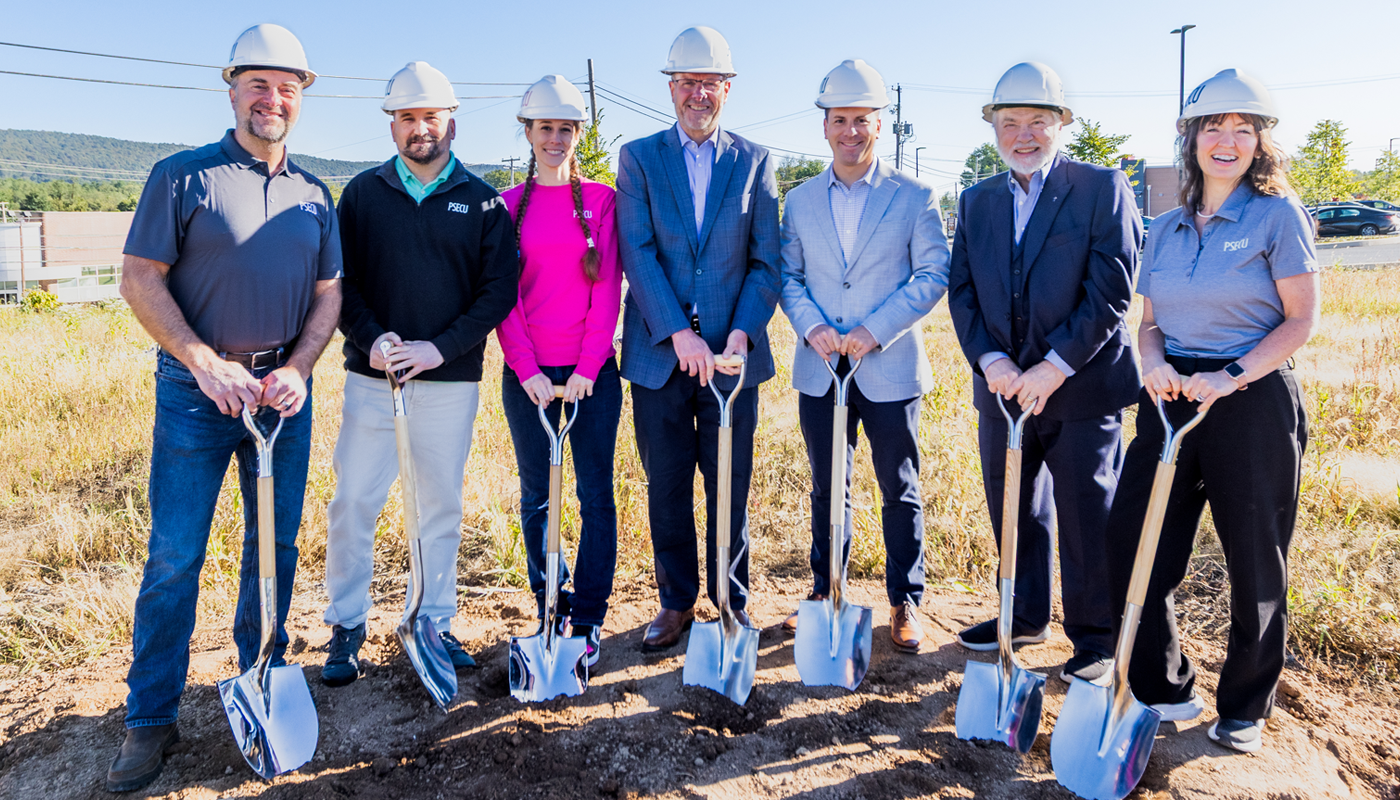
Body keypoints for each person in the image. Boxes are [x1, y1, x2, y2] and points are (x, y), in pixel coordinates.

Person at [109, 24, 341, 793]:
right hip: (196, 398)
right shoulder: (182, 176)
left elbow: (327, 294)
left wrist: (302, 368)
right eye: (259, 85)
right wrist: (204, 364)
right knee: (175, 556)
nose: (272, 99)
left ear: (301, 97)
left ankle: (264, 684)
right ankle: (150, 722)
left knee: (273, 552)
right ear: (232, 87)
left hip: (281, 399)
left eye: (288, 87)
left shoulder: (315, 193)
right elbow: (141, 278)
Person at [1105, 69, 1318, 753]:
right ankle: (1164, 685)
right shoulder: (1161, 227)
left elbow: (1299, 320)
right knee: (1135, 542)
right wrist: (1155, 362)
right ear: (1190, 138)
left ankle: (1245, 704)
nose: (1227, 141)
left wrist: (1230, 376)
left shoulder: (1277, 214)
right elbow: (1149, 323)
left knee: (1255, 557)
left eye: (1243, 129)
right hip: (1171, 396)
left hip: (1251, 396)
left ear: (1261, 142)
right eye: (1213, 129)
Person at [321, 61, 518, 685]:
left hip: (448, 381)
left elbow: (497, 293)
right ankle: (346, 625)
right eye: (406, 117)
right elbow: (338, 285)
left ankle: (432, 619)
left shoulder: (484, 201)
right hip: (371, 380)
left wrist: (440, 347)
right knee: (354, 499)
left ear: (450, 121)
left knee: (439, 507)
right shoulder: (361, 196)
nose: (418, 128)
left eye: (429, 116)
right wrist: (371, 337)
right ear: (393, 126)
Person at [946, 62, 1142, 684]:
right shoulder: (976, 200)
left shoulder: (1101, 187)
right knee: (1013, 507)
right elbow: (963, 292)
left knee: (1088, 511)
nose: (1023, 134)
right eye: (1010, 123)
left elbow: (1111, 290)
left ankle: (1095, 637)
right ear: (993, 128)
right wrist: (992, 360)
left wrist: (1053, 366)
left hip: (1080, 385)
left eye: (1038, 121)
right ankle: (1023, 615)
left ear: (1062, 124)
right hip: (1003, 390)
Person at [615, 26, 781, 650]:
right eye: (687, 82)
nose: (698, 94)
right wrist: (679, 335)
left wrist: (739, 330)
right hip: (661, 357)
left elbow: (766, 262)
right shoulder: (639, 158)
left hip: (733, 361)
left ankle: (731, 603)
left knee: (729, 486)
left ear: (727, 89)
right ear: (671, 87)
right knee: (667, 484)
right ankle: (677, 601)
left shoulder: (756, 161)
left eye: (709, 83)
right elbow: (637, 248)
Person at [778, 60, 949, 652]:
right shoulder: (798, 201)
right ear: (824, 126)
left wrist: (876, 329)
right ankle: (827, 590)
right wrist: (811, 327)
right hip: (821, 366)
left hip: (889, 366)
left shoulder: (915, 196)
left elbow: (932, 274)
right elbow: (788, 275)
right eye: (840, 120)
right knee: (829, 485)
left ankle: (906, 600)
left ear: (881, 125)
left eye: (862, 121)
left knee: (898, 484)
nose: (851, 132)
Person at [496, 75, 623, 666]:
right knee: (537, 497)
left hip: (590, 377)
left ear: (577, 133)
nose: (555, 137)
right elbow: (505, 299)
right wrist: (526, 369)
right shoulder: (507, 207)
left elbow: (608, 292)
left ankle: (588, 616)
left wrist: (589, 367)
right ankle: (550, 600)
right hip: (530, 380)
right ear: (528, 132)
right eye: (544, 127)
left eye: (565, 128)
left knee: (596, 494)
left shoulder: (602, 202)